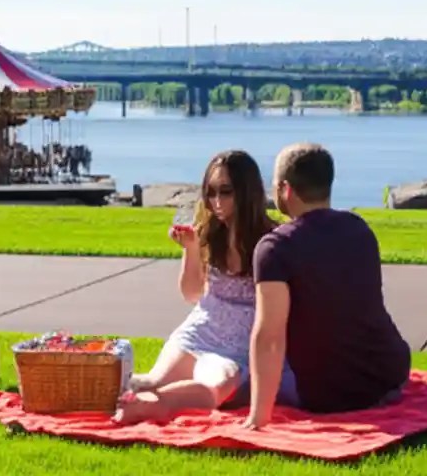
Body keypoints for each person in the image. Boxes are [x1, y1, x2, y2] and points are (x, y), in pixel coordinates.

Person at [245, 142, 411, 429]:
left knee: (234, 375)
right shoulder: (359, 229)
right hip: (388, 376)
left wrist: (258, 417)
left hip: (328, 395)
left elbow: (268, 336)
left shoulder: (275, 248)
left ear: (285, 189)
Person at [114, 150, 284, 424]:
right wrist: (191, 249)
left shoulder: (271, 241)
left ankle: (152, 407)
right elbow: (192, 294)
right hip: (200, 331)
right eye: (211, 192)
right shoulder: (208, 233)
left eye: (225, 191)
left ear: (246, 191)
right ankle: (117, 395)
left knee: (216, 389)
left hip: (238, 344)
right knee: (152, 381)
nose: (216, 201)